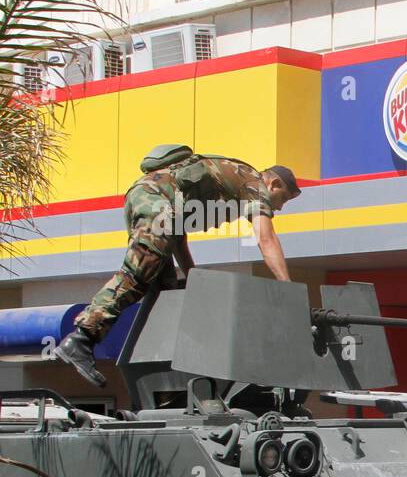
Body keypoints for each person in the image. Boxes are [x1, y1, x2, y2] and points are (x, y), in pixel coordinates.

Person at [54, 156, 300, 387]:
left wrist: (192, 276)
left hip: (148, 197)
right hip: (155, 200)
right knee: (141, 269)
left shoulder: (227, 184)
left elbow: (177, 237)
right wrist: (287, 288)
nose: (279, 208)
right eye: (284, 199)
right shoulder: (253, 183)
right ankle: (82, 338)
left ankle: (166, 376)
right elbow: (266, 239)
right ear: (274, 184)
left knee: (166, 290)